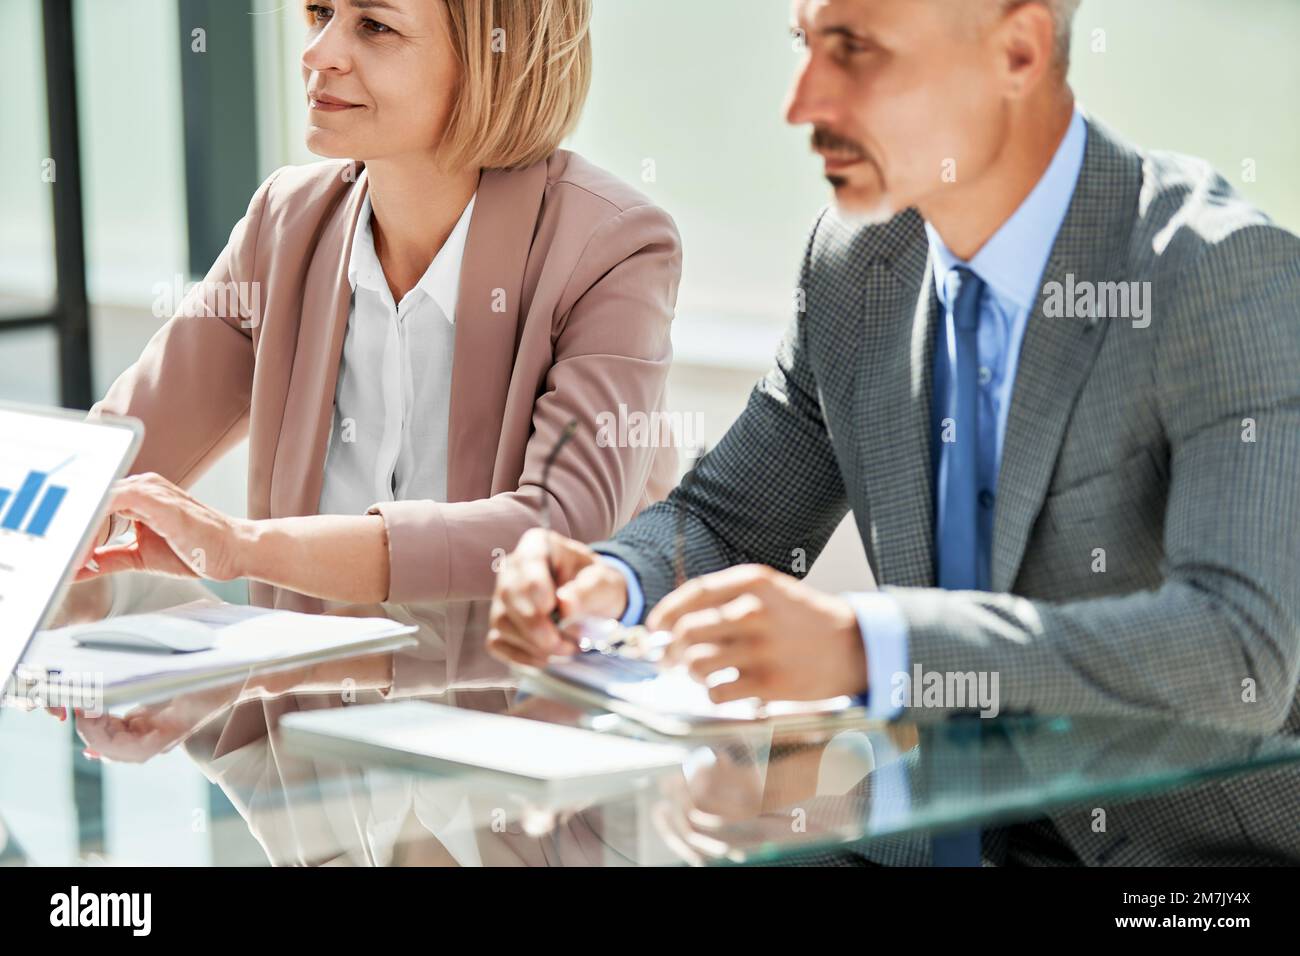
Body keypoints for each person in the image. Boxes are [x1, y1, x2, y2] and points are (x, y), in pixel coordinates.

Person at [489, 0, 1300, 865]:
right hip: (921, 837)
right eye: (806, 47)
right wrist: (609, 583)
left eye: (856, 53)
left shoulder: (1219, 273)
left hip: (1197, 875)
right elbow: (729, 519)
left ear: (1019, 52)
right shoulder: (854, 264)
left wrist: (866, 646)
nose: (801, 104)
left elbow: (1238, 649)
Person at [80, 0, 681, 615]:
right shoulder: (285, 225)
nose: (317, 53)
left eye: (375, 26)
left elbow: (560, 533)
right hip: (304, 703)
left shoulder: (611, 245)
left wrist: (245, 548)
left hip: (524, 708)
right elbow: (111, 459)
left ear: (491, 62)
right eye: (319, 12)